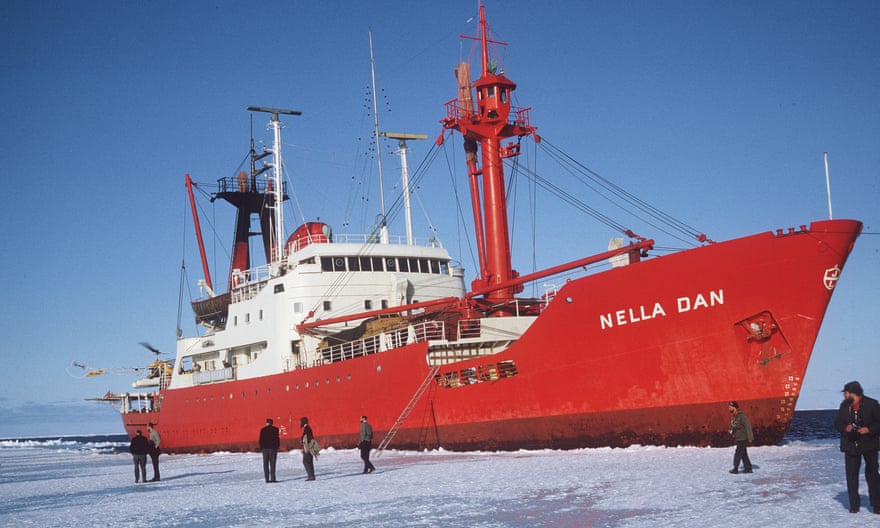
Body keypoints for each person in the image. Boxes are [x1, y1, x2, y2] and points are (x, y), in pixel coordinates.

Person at [834, 381, 880, 513]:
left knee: (873, 475)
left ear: (853, 393)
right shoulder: (844, 406)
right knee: (851, 476)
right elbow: (837, 423)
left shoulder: (872, 404)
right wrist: (845, 428)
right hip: (850, 445)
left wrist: (869, 429)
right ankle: (854, 505)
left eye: (846, 393)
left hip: (869, 444)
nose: (844, 395)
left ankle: (877, 504)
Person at [728, 401, 753, 474]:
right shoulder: (734, 416)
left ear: (734, 407)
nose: (728, 408)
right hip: (738, 437)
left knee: (738, 453)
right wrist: (731, 430)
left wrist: (750, 437)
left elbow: (748, 426)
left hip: (742, 438)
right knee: (743, 454)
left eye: (730, 407)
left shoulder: (742, 416)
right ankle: (748, 468)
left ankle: (735, 468)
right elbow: (733, 425)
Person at [259, 418, 280, 483]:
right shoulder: (275, 429)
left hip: (265, 449)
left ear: (267, 423)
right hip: (273, 449)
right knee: (272, 464)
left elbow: (260, 440)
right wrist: (277, 447)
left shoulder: (263, 430)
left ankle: (267, 479)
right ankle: (273, 478)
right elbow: (277, 439)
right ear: (272, 423)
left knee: (265, 464)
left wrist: (261, 448)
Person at [300, 416, 316, 481]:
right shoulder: (308, 428)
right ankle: (311, 475)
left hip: (307, 447)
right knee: (309, 461)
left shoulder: (306, 429)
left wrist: (304, 448)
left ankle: (311, 476)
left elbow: (306, 439)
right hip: (310, 447)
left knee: (305, 461)